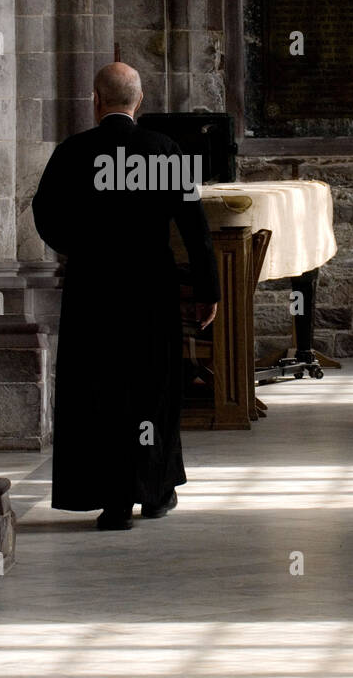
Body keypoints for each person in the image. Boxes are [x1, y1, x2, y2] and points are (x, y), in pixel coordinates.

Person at [31, 63, 220, 530]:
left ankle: (114, 501)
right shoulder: (165, 152)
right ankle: (156, 491)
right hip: (151, 288)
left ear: (96, 100)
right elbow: (196, 230)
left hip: (94, 288)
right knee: (153, 386)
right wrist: (206, 290)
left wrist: (81, 247)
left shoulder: (74, 151)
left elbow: (45, 215)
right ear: (140, 100)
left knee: (101, 388)